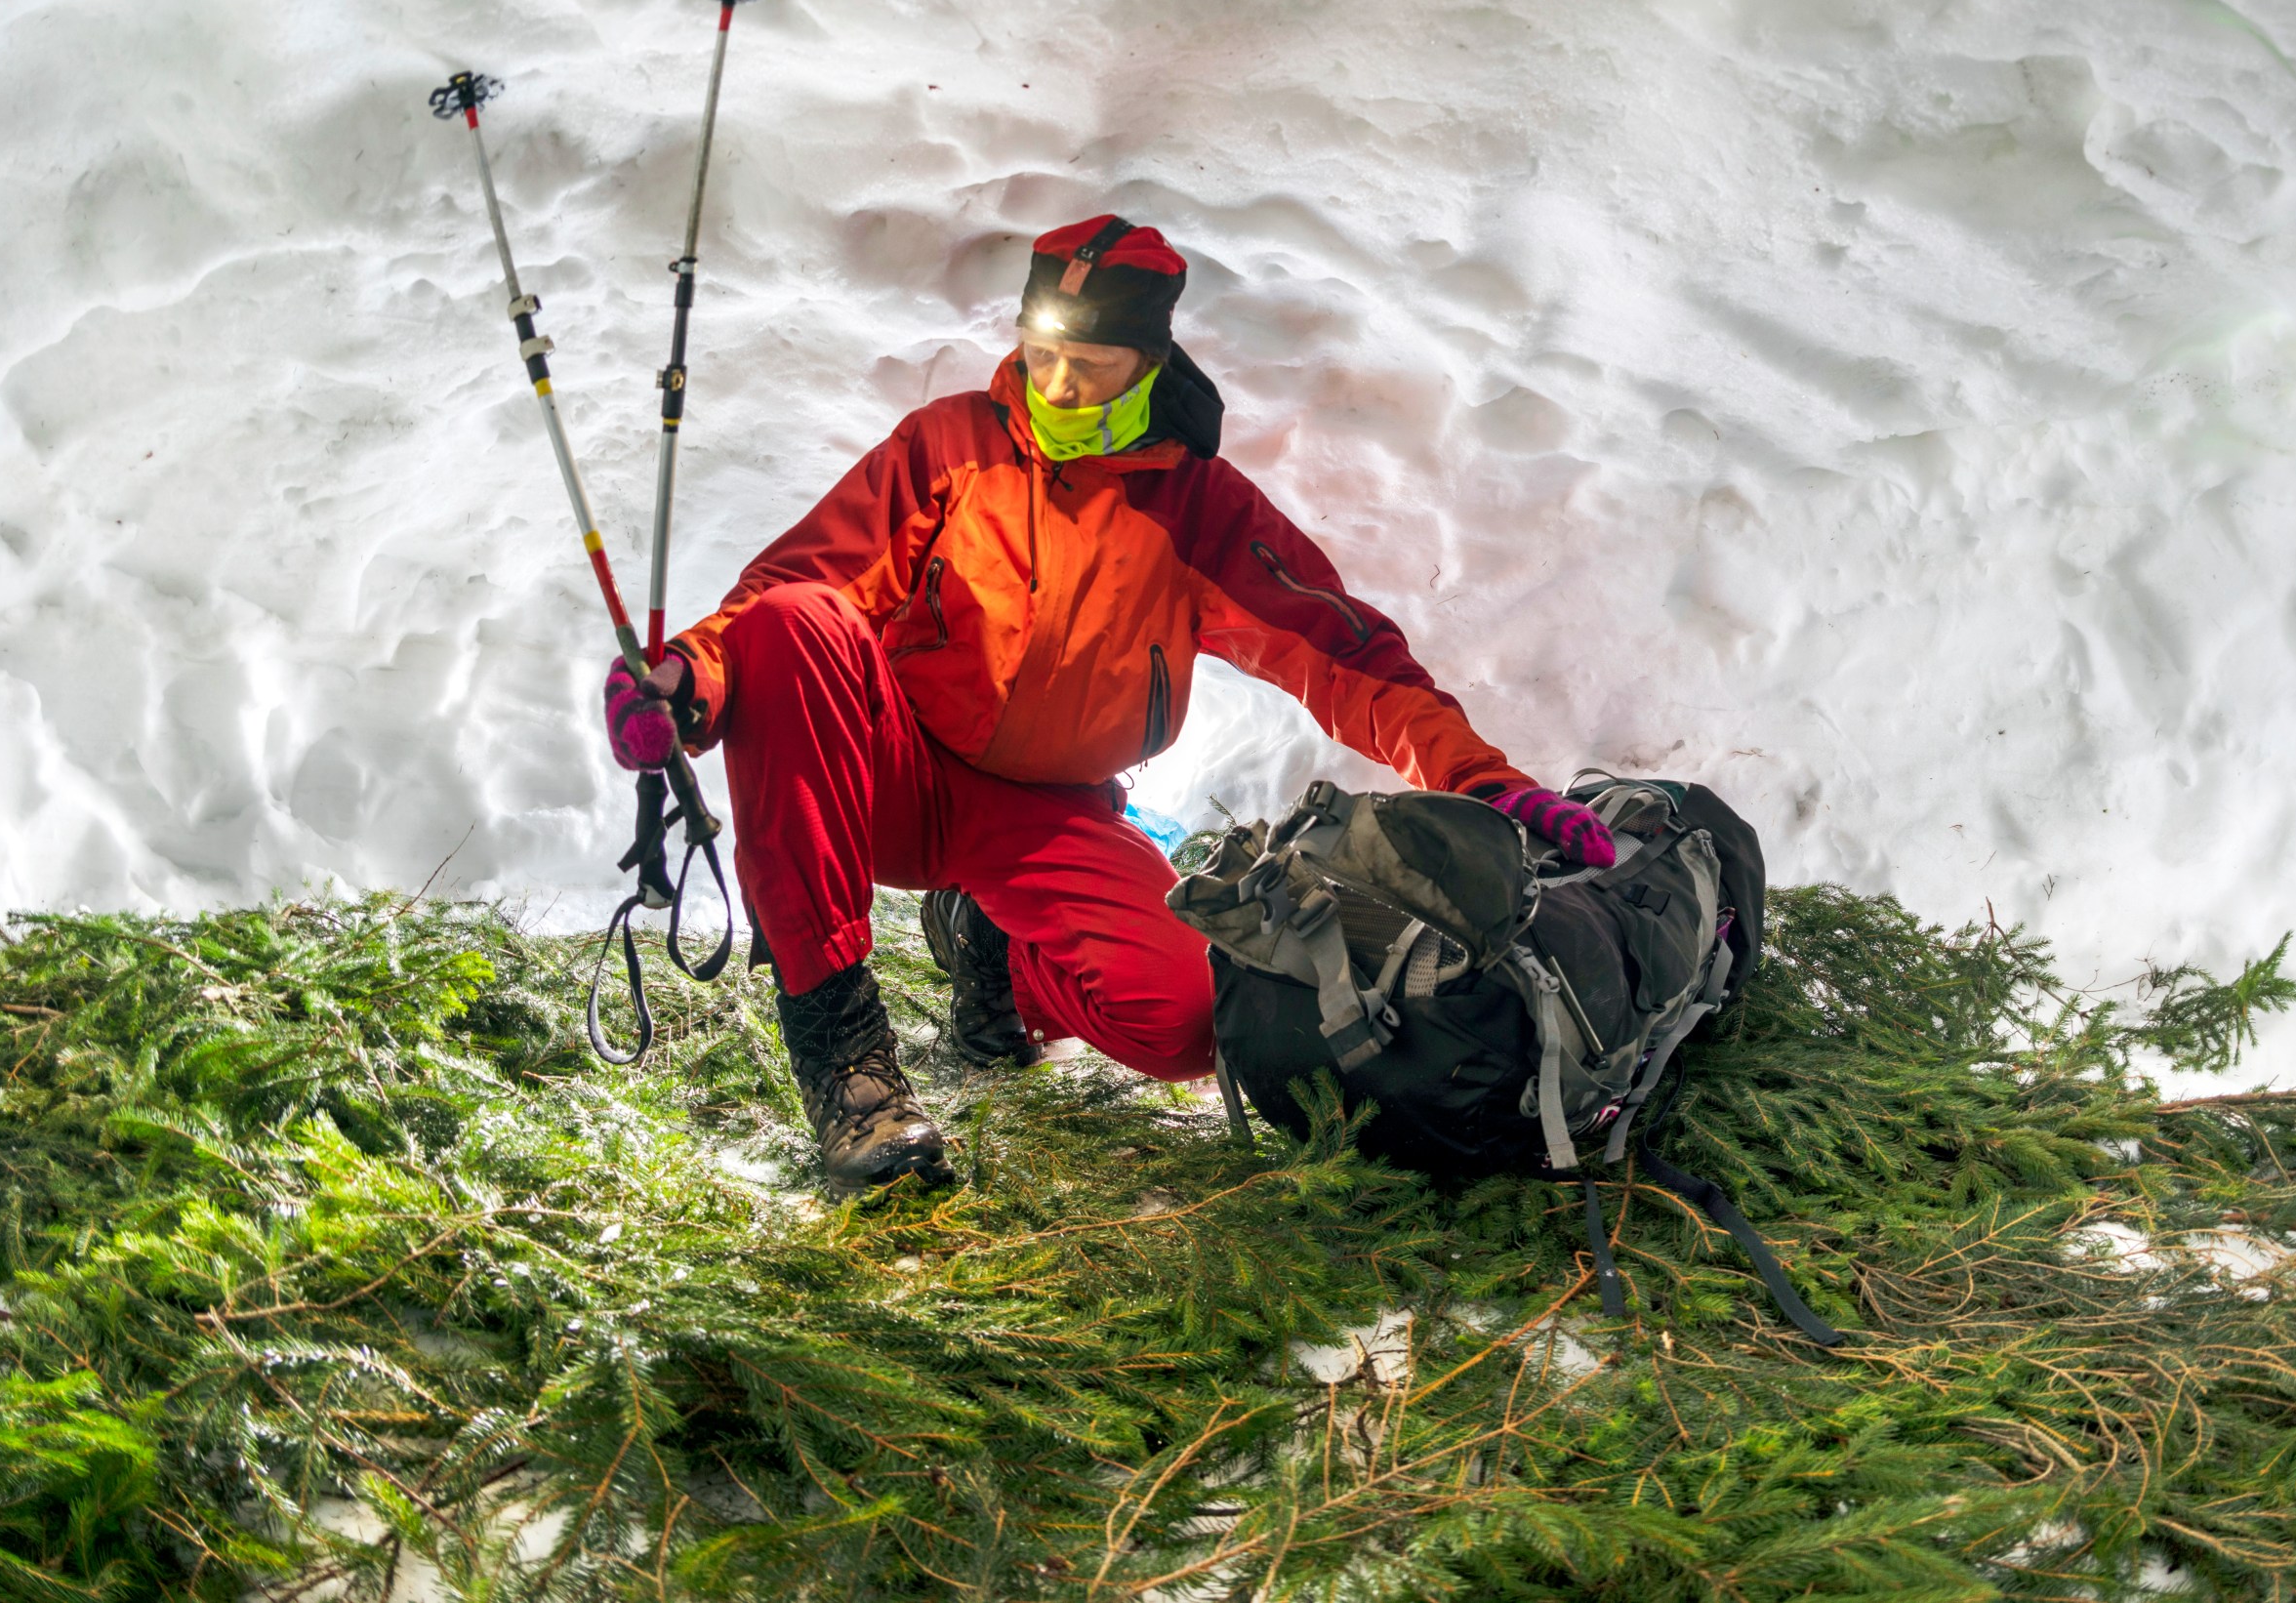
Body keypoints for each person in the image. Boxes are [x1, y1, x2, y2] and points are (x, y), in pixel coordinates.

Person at [601, 216, 1612, 1187]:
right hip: (895, 773)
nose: (1057, 384)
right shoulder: (954, 446)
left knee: (1180, 1019)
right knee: (791, 621)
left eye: (1091, 364)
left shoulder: (1202, 510)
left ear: (1150, 361)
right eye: (1042, 355)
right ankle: (847, 1061)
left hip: (1050, 815)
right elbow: (803, 576)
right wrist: (690, 679)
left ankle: (993, 956)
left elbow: (1347, 660)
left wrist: (1491, 785)